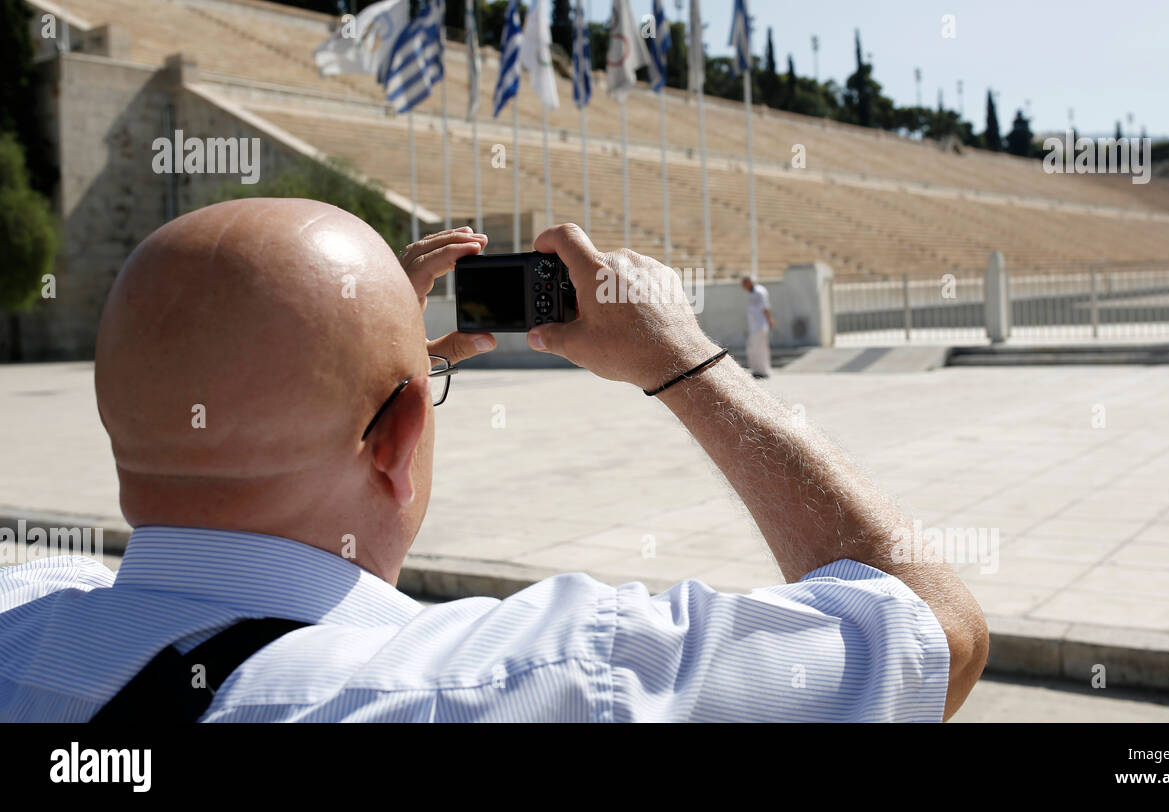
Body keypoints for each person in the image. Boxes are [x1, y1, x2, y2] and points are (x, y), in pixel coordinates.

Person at [0, 199, 986, 721]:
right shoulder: (548, 678)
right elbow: (934, 631)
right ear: (400, 441)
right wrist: (684, 361)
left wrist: (351, 368)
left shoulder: (20, 619)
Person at [741, 275, 774, 378]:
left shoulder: (760, 292)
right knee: (753, 349)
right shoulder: (751, 293)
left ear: (748, 282)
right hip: (754, 326)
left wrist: (770, 320)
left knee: (762, 349)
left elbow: (765, 307)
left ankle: (764, 371)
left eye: (744, 284)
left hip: (760, 325)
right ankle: (756, 370)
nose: (743, 287)